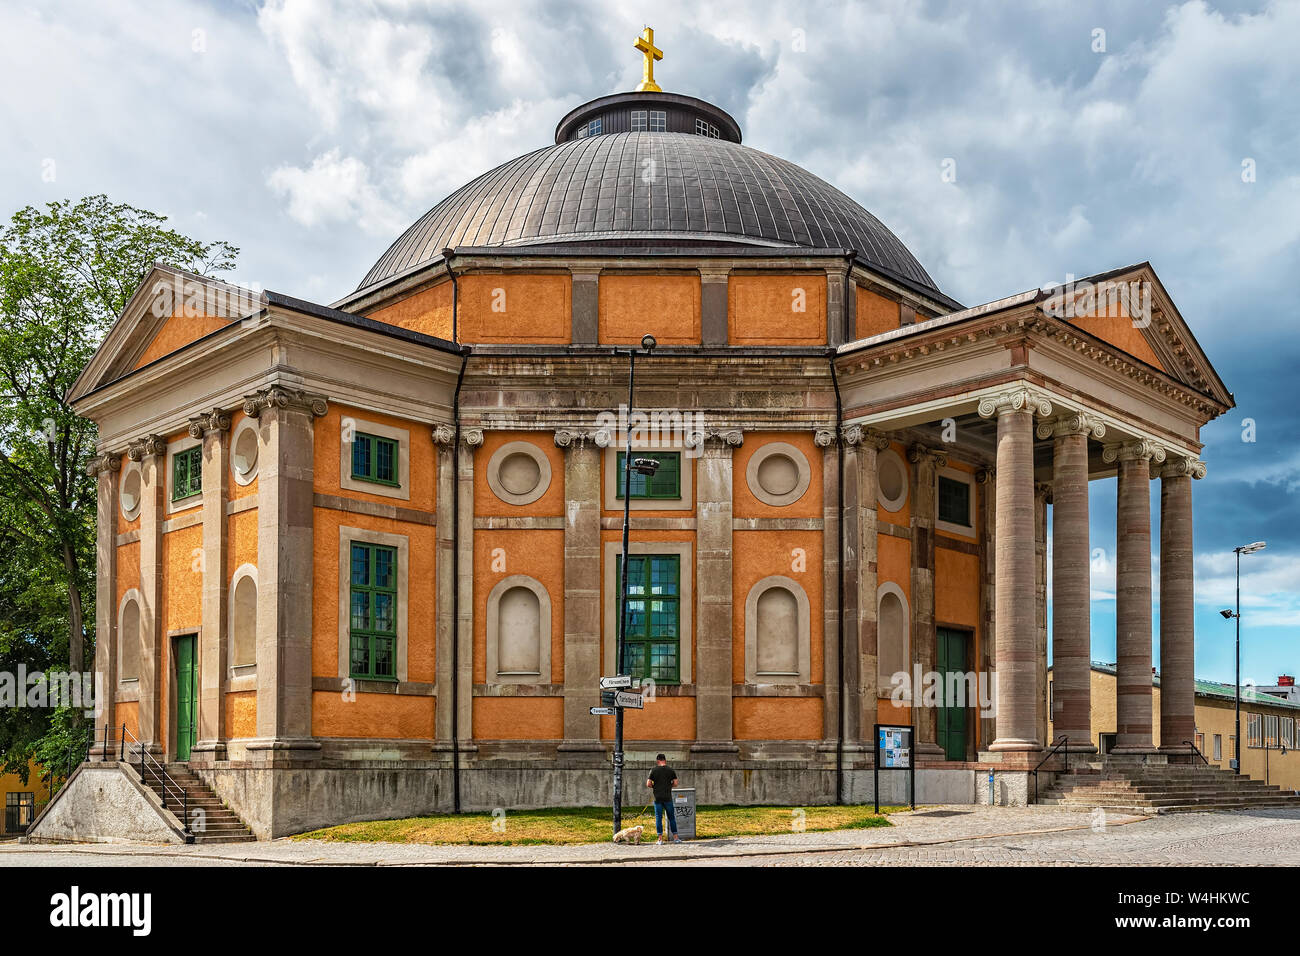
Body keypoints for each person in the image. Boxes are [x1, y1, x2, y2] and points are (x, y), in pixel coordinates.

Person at [646, 753, 681, 844]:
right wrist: (669, 786)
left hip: (657, 798)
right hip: (667, 797)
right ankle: (676, 838)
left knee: (658, 818)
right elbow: (676, 783)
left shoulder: (653, 770)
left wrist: (655, 787)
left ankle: (660, 840)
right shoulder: (671, 770)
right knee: (671, 817)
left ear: (658, 761)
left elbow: (648, 784)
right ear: (665, 760)